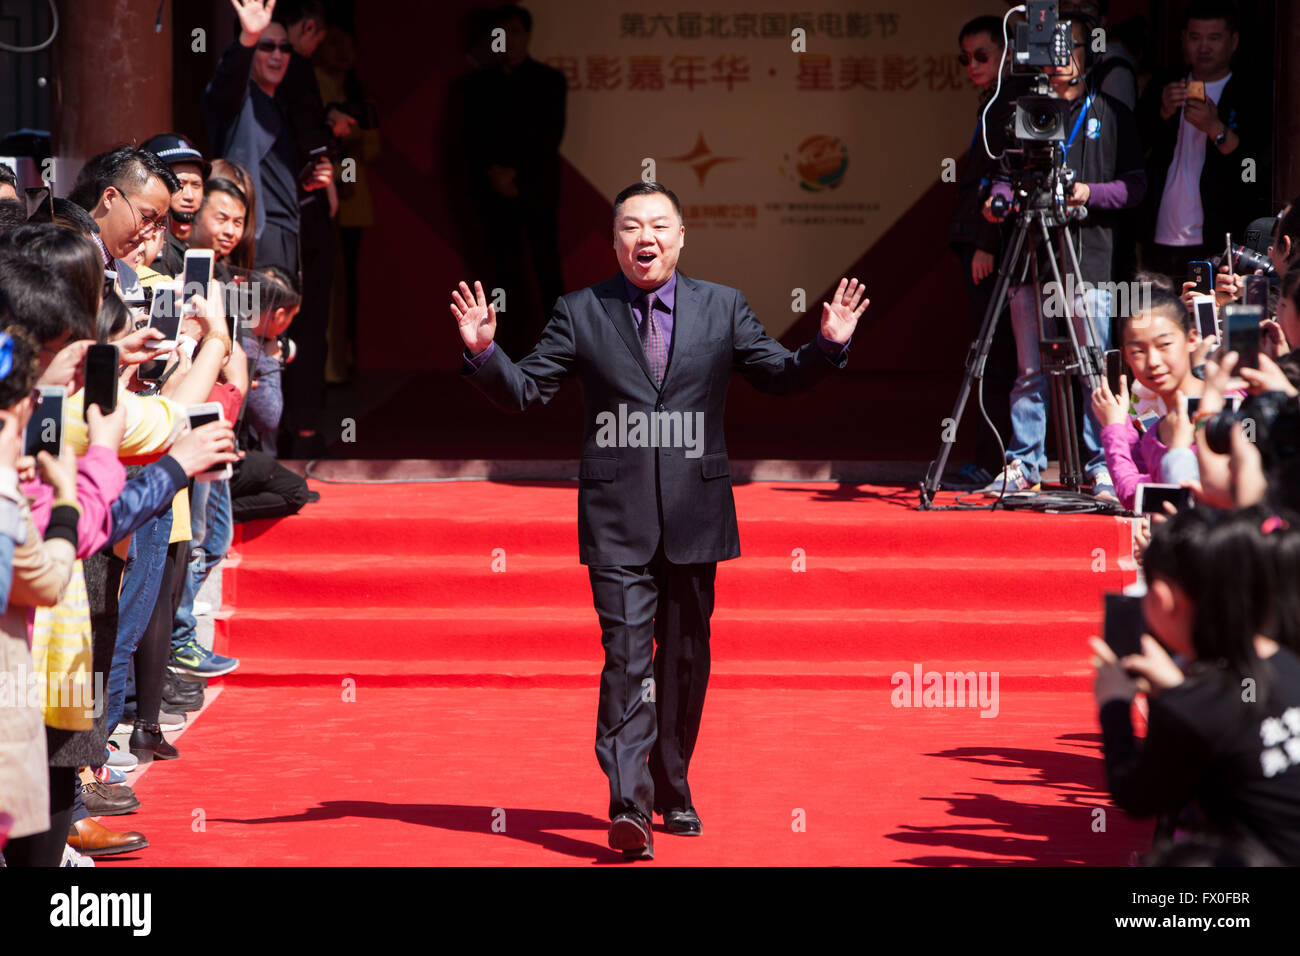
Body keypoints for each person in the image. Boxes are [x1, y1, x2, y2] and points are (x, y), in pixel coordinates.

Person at [452, 182, 866, 859]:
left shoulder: (723, 307)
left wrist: (825, 345)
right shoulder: (581, 312)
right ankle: (628, 803)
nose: (644, 237)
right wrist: (484, 354)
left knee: (682, 660)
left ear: (681, 237)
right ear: (614, 241)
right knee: (625, 657)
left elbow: (779, 376)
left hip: (696, 513)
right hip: (617, 517)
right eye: (629, 227)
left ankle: (672, 785)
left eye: (658, 225)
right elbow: (526, 391)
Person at [981, 17, 1146, 498]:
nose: (1057, 57)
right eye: (1048, 47)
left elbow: (1136, 187)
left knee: (1093, 366)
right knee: (1029, 369)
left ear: (1087, 52)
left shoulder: (1113, 113)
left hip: (1087, 260)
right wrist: (997, 200)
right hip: (1030, 255)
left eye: (1066, 47)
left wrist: (1086, 192)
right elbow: (1003, 176)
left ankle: (1102, 464)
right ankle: (1023, 462)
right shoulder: (1019, 110)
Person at [1090, 507, 1300, 864]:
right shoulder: (1287, 660)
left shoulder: (1195, 707)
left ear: (1162, 597)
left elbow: (1136, 796)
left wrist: (1114, 705)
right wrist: (1177, 693)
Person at [445, 3, 567, 361]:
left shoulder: (550, 81)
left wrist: (518, 176)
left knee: (547, 268)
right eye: (502, 33)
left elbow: (550, 136)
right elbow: (469, 140)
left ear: (527, 35)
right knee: (502, 272)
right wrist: (495, 176)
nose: (508, 40)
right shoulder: (475, 86)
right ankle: (509, 348)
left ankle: (562, 349)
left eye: (515, 32)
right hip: (492, 194)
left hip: (538, 189)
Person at [1138, 0, 1270, 278]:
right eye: (1195, 37)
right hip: (1160, 235)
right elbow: (1131, 148)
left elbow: (1255, 172)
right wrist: (1161, 112)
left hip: (1217, 239)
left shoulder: (1250, 91)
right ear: (1183, 39)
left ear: (1233, 41)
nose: (1204, 47)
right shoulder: (1166, 84)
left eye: (1214, 38)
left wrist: (1217, 131)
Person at [945, 14, 1020, 486]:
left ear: (1006, 54)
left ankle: (995, 461)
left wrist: (986, 244)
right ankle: (995, 459)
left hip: (994, 248)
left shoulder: (1008, 102)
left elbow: (1004, 182)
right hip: (984, 245)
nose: (971, 65)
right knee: (991, 352)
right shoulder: (993, 101)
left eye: (981, 56)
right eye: (964, 58)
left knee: (995, 355)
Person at [1090, 290, 1206, 511]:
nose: (1152, 361)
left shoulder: (1226, 403)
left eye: (1164, 345)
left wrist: (1114, 429)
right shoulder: (1155, 434)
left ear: (1191, 339)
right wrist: (1118, 424)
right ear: (1125, 356)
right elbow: (1138, 496)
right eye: (1138, 351)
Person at [66, 147, 180, 304]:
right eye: (146, 217)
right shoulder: (63, 255)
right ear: (110, 197)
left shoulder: (128, 276)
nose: (148, 234)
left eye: (158, 224)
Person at [140, 134, 210, 277]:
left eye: (196, 185)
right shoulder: (142, 240)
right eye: (180, 184)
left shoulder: (196, 243)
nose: (189, 196)